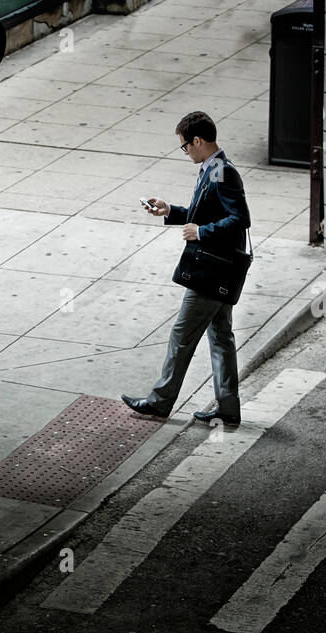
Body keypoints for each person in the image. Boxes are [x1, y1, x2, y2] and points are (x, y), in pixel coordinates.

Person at [123, 111, 251, 428]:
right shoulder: (212, 168)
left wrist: (201, 233)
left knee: (182, 336)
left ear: (197, 141)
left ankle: (159, 402)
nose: (185, 153)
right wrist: (171, 211)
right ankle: (228, 408)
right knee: (221, 336)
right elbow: (206, 212)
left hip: (211, 272)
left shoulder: (221, 171)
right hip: (218, 271)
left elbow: (240, 218)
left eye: (185, 147)